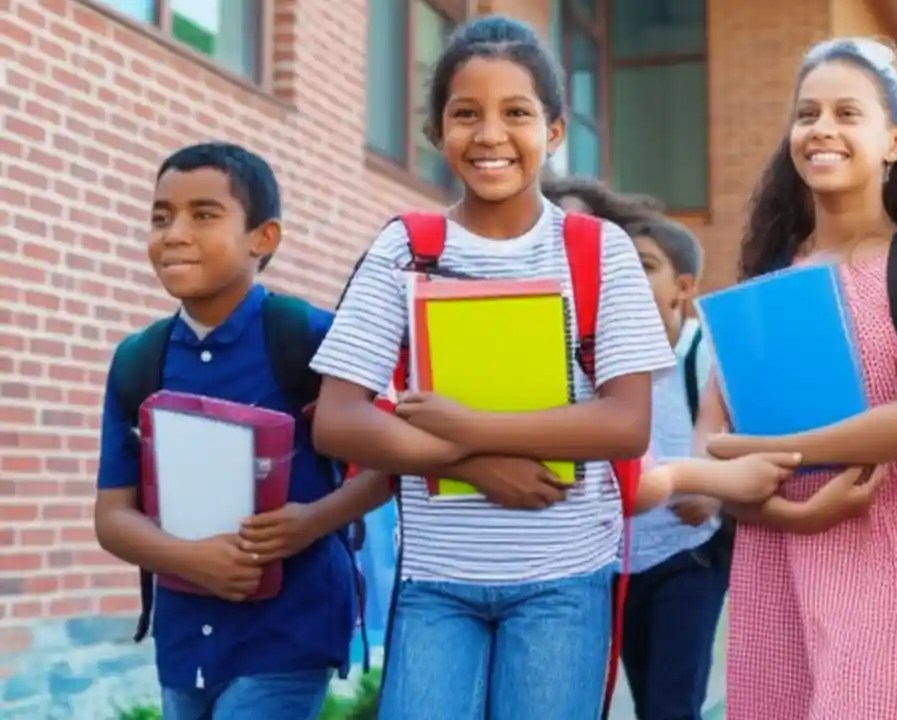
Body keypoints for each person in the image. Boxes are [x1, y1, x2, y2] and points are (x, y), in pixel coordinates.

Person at [306, 16, 676, 720]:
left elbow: (625, 424)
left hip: (564, 580)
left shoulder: (599, 252)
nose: (490, 135)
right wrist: (473, 461)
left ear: (555, 131)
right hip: (437, 582)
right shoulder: (404, 249)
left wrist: (472, 426)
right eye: (465, 114)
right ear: (435, 133)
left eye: (517, 113)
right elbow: (337, 419)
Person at [698, 38, 897, 719]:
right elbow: (711, 442)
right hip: (774, 548)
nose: (821, 129)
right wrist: (786, 508)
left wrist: (779, 452)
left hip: (886, 539)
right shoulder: (764, 286)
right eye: (807, 114)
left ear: (895, 140)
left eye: (848, 113)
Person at [93, 142, 384, 720]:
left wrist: (312, 522)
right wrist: (188, 558)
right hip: (182, 643)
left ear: (263, 238)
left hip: (288, 632)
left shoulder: (311, 337)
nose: (174, 233)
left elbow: (388, 465)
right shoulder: (138, 360)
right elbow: (112, 516)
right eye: (160, 216)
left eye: (203, 214)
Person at [619, 215, 726, 720]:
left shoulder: (706, 355)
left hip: (690, 553)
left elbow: (748, 439)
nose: (627, 276)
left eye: (644, 266)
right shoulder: (603, 360)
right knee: (643, 698)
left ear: (683, 287)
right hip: (619, 558)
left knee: (671, 704)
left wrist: (715, 492)